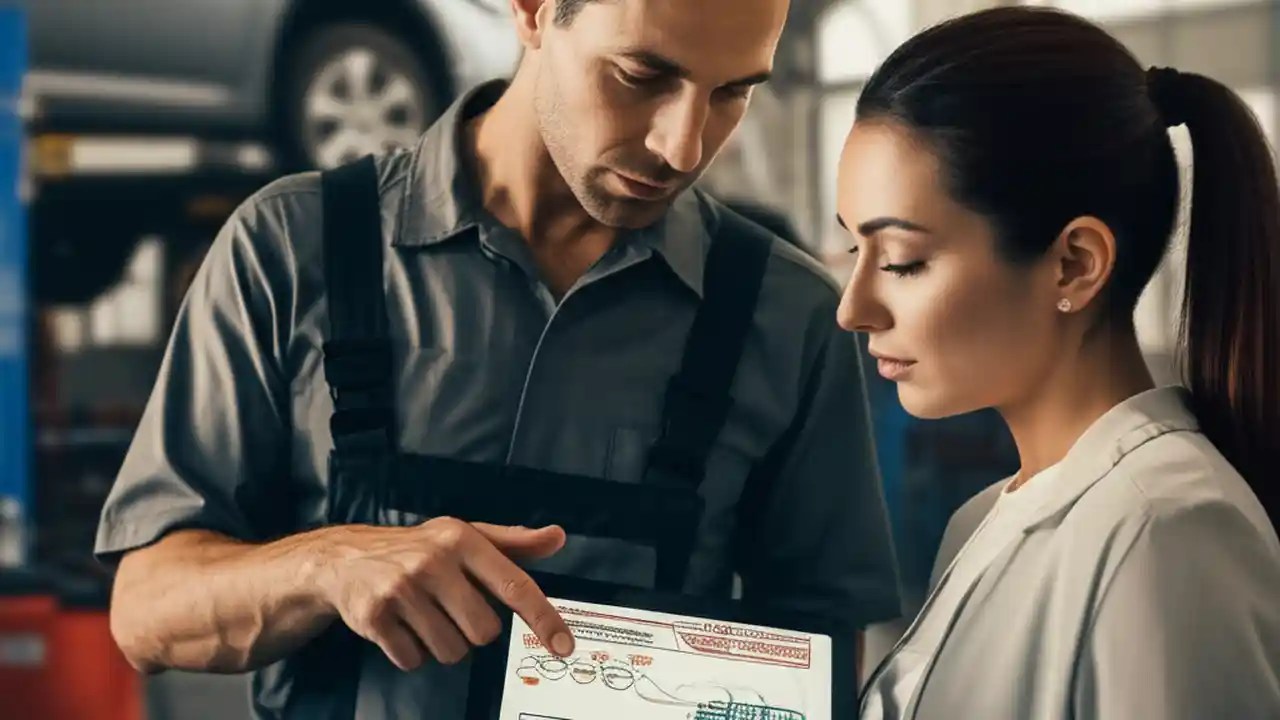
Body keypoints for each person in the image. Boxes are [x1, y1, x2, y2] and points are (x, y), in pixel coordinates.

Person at [95, 0, 902, 718]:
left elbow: (819, 658)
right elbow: (147, 613)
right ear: (531, 12)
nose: (683, 145)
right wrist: (325, 563)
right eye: (641, 74)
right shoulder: (291, 248)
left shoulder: (788, 315)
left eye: (733, 92)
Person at [834, 7, 1280, 719]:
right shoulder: (987, 516)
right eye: (856, 251)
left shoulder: (1164, 529)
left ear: (1073, 264)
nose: (853, 309)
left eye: (902, 262)